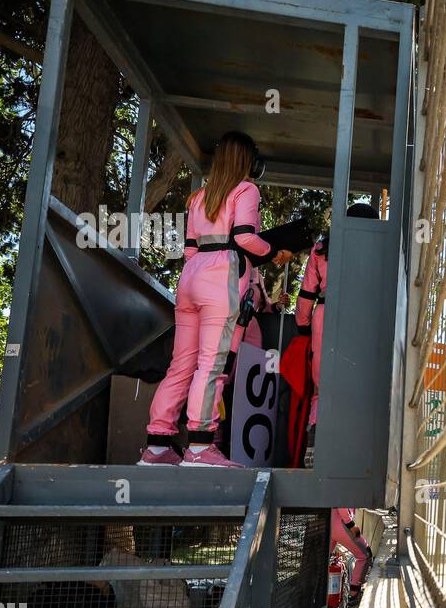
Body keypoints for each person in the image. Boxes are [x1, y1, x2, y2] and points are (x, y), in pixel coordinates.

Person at [140, 131, 293, 468]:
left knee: (181, 365)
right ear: (248, 162)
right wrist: (274, 252)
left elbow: (190, 249)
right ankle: (199, 446)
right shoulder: (246, 190)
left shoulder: (198, 197)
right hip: (222, 279)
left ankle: (156, 445)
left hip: (191, 277)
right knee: (212, 365)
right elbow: (244, 238)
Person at [295, 201, 378, 436]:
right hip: (363, 317)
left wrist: (302, 325)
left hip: (326, 314)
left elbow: (307, 292)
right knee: (358, 382)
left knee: (322, 386)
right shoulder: (377, 249)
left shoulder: (322, 250)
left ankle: (316, 435)